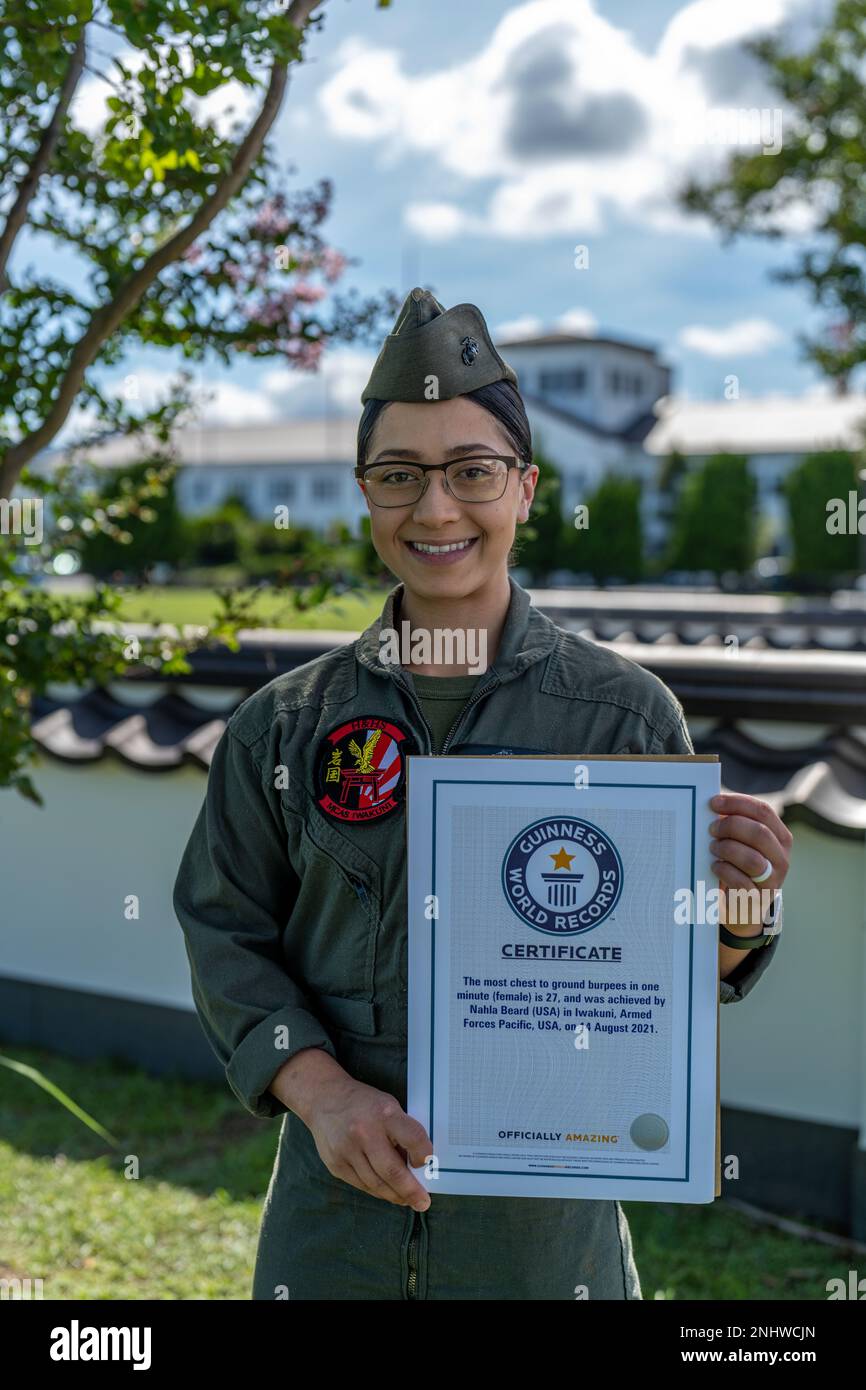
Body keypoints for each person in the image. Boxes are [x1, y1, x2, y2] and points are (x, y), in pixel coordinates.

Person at [173, 287, 790, 1301]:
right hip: (333, 1234)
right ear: (364, 491)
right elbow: (223, 928)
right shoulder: (284, 726)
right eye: (398, 475)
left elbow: (672, 980)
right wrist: (322, 1095)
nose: (435, 508)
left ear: (525, 489)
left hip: (547, 1249)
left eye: (470, 471)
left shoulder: (624, 720)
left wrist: (738, 906)